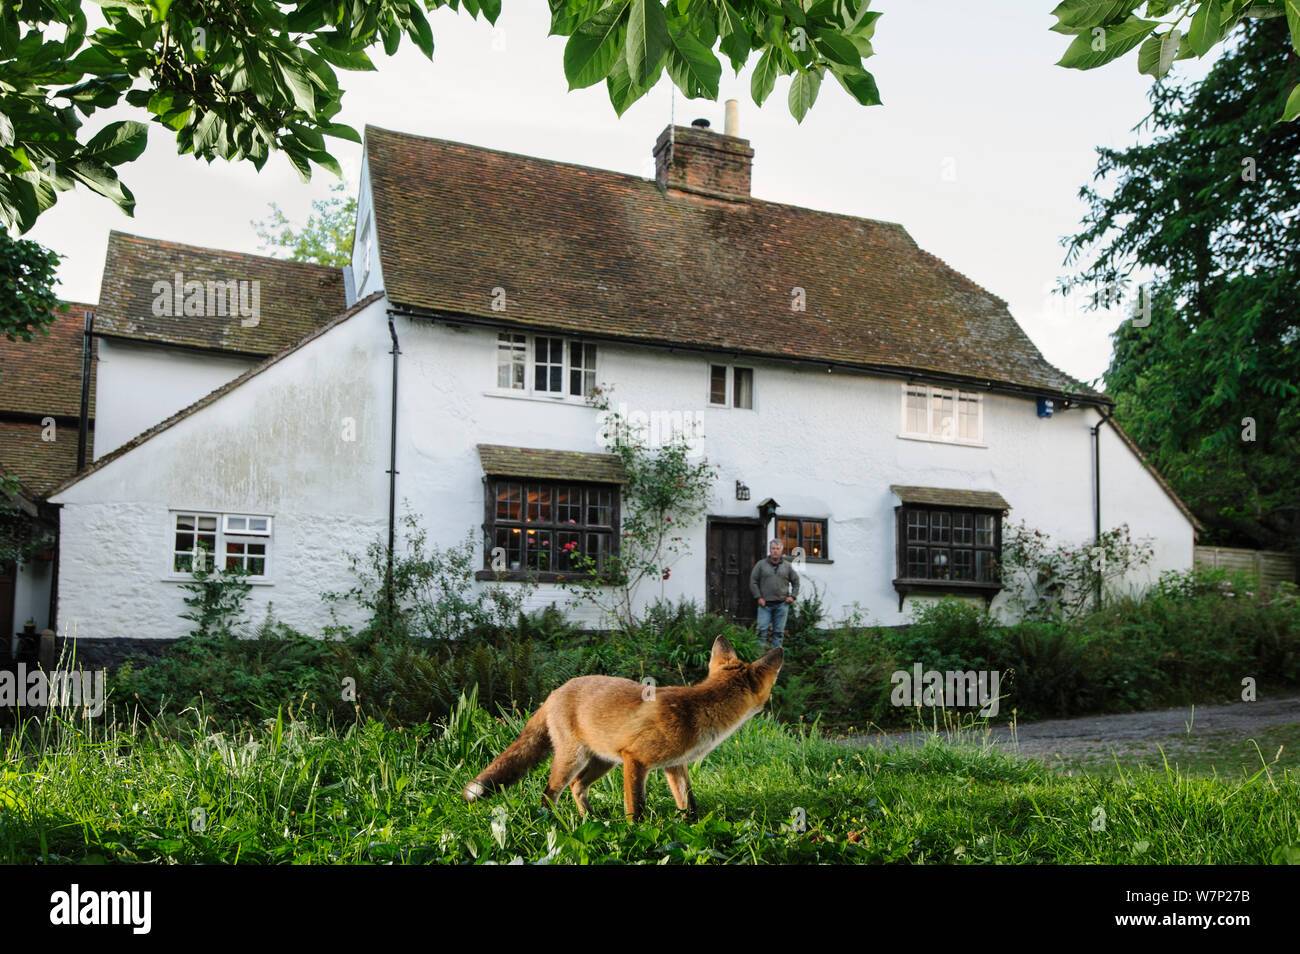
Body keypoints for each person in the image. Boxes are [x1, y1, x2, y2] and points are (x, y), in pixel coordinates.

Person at [749, 538, 799, 650]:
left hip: (782, 605)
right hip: (764, 605)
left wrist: (793, 596)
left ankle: (775, 659)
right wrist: (758, 596)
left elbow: (796, 581)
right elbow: (753, 581)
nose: (775, 551)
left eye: (777, 548)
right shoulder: (761, 565)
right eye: (773, 548)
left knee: (779, 633)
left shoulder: (787, 566)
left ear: (781, 550)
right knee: (761, 632)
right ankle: (759, 657)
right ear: (770, 550)